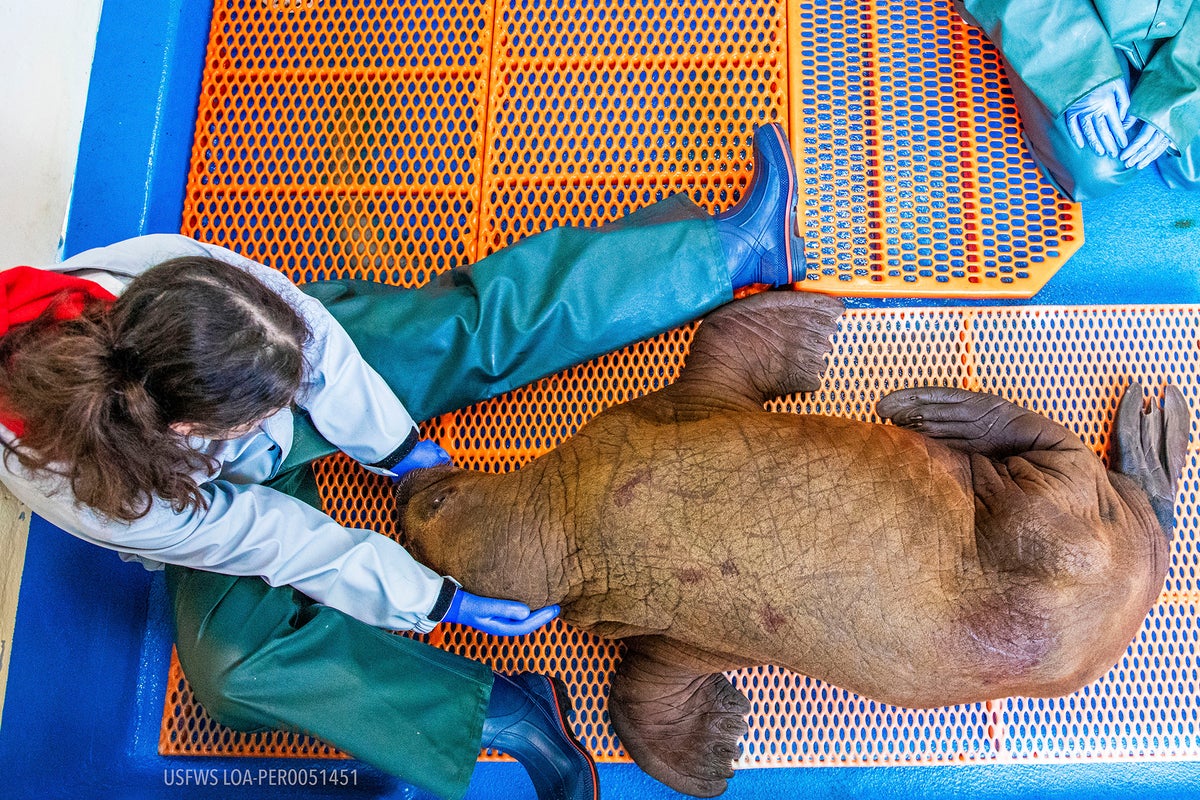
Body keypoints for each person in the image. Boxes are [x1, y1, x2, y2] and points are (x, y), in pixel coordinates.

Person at [0, 123, 804, 799]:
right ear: (183, 431)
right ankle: (502, 711)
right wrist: (435, 599)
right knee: (235, 672)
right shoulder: (108, 494)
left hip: (237, 381)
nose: (297, 404)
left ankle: (728, 252)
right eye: (273, 407)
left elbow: (310, 341)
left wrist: (390, 442)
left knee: (460, 330)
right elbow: (278, 541)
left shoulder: (160, 282)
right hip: (206, 500)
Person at [955, 0, 1200, 200]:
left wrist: (1183, 86)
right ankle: (1013, 36)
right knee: (1098, 168)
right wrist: (1079, 69)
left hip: (1183, 18)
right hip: (1061, 16)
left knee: (1192, 163)